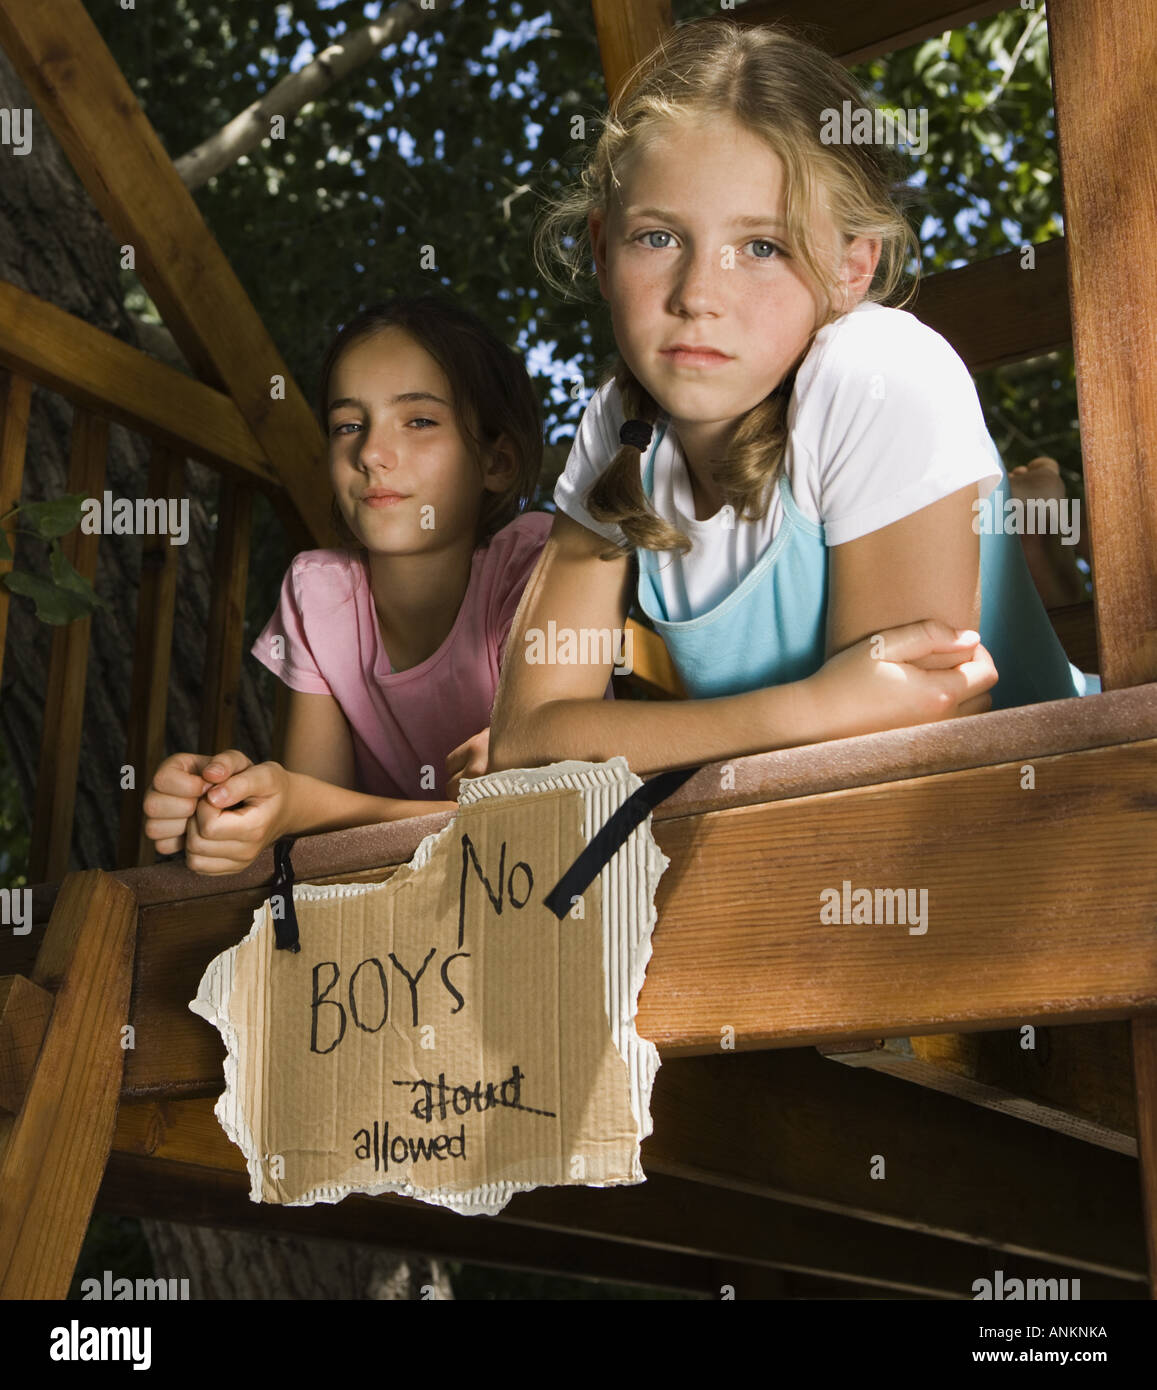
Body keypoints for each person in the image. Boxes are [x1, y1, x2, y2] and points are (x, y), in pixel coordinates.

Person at [489, 20, 1097, 780]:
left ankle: (1034, 531)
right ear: (602, 247)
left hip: (1052, 810)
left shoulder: (878, 371)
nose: (698, 296)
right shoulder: (620, 422)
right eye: (657, 238)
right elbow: (521, 737)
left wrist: (633, 737)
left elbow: (905, 740)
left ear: (851, 269)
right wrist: (814, 707)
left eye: (762, 248)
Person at [143, 295, 550, 874]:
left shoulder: (532, 569)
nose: (372, 453)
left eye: (420, 421)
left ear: (496, 462)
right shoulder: (317, 594)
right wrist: (234, 804)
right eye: (348, 425)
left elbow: (535, 821)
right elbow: (315, 847)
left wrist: (300, 806)